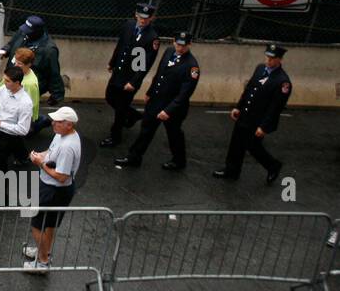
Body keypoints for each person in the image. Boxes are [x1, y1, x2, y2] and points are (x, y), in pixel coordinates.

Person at [115, 31, 199, 171]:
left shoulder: (192, 66)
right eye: (178, 44)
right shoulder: (169, 51)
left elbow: (185, 94)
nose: (180, 48)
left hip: (173, 108)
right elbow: (160, 74)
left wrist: (168, 111)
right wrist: (150, 92)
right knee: (146, 130)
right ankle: (134, 157)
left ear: (190, 45)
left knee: (174, 134)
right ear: (173, 41)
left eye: (183, 45)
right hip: (156, 100)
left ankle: (179, 161)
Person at [214, 43, 290, 184]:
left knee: (253, 146)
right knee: (236, 142)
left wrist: (264, 127)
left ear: (280, 59)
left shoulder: (282, 82)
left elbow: (275, 108)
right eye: (267, 57)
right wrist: (239, 107)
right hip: (246, 114)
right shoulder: (260, 68)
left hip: (258, 120)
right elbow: (249, 89)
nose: (268, 61)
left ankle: (272, 165)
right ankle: (231, 170)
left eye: (272, 58)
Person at [24, 106, 82, 273]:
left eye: (58, 121)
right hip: (55, 188)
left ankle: (42, 262)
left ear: (69, 125)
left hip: (54, 189)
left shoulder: (67, 147)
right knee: (49, 224)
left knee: (37, 224)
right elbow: (50, 151)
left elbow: (62, 176)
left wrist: (39, 163)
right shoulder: (61, 134)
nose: (53, 123)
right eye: (54, 120)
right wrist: (40, 155)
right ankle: (45, 252)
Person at [101, 2, 160, 149]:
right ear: (136, 15)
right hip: (119, 72)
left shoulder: (151, 37)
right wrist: (112, 62)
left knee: (121, 108)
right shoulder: (128, 26)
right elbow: (120, 46)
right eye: (141, 17)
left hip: (130, 77)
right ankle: (133, 115)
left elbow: (143, 64)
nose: (143, 20)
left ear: (152, 18)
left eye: (146, 18)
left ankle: (115, 136)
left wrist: (133, 82)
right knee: (110, 97)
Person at [0, 66, 33, 176]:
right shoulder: (4, 89)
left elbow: (23, 130)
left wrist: (1, 124)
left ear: (17, 82)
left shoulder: (25, 103)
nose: (4, 82)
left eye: (7, 81)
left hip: (9, 138)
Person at [0, 15, 64, 106]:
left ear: (37, 32)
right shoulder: (23, 32)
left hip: (28, 87)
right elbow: (12, 43)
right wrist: (5, 50)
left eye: (28, 31)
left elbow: (54, 73)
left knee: (20, 111)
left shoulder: (49, 50)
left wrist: (57, 94)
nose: (25, 32)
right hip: (11, 78)